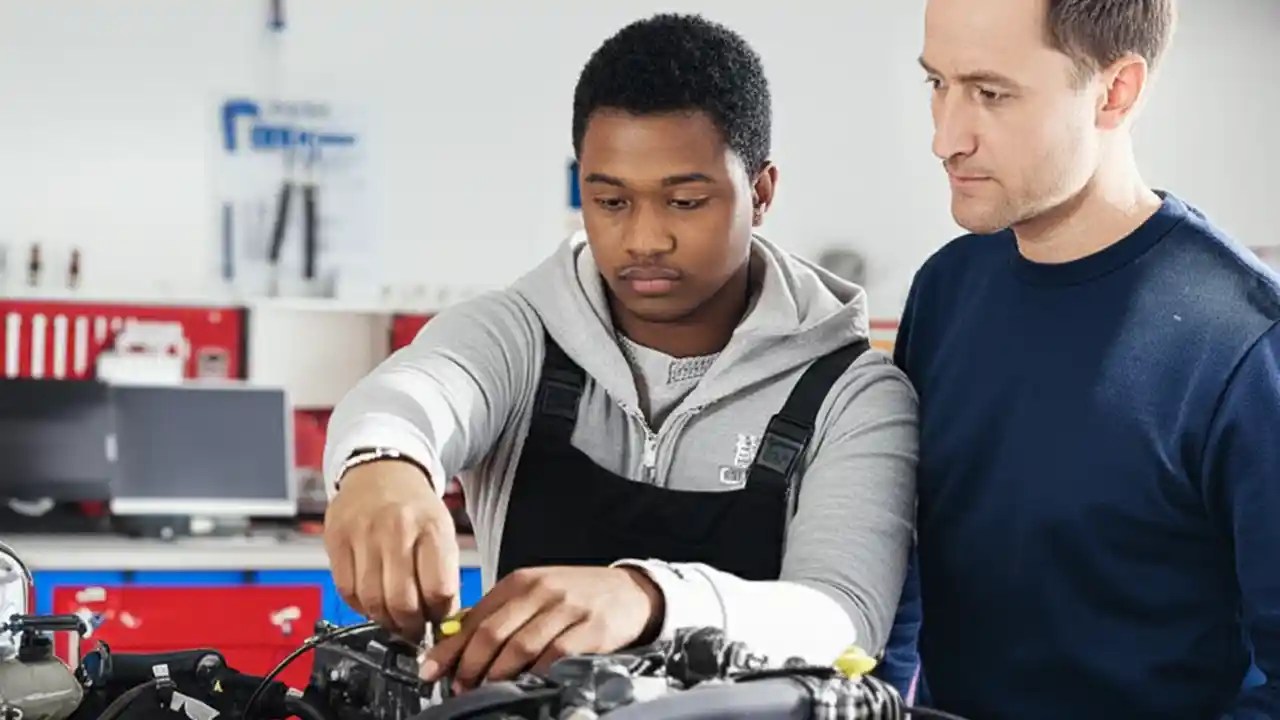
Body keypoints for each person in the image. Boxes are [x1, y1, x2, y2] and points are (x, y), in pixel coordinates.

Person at [320, 13, 918, 694]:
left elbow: (841, 618)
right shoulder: (520, 335)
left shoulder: (851, 393)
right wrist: (382, 466)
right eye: (609, 200)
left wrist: (647, 599)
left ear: (760, 191)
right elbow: (413, 395)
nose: (644, 239)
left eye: (685, 201)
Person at [895, 0, 1280, 717]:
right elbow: (901, 560)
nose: (945, 138)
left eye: (990, 93)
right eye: (936, 85)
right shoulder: (945, 289)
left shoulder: (1246, 341)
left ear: (1115, 91)